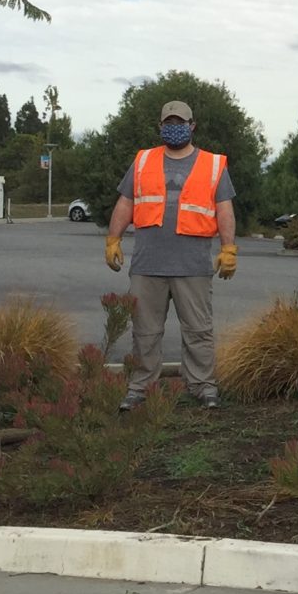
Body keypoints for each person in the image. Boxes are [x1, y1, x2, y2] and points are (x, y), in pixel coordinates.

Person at [105, 100, 238, 410]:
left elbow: (224, 209)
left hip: (192, 265)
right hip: (147, 264)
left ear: (192, 126)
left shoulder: (213, 164)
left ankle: (202, 386)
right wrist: (113, 239)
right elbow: (126, 203)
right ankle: (140, 387)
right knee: (145, 331)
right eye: (168, 122)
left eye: (180, 122)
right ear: (160, 126)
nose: (174, 127)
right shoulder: (142, 161)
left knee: (198, 330)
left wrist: (228, 249)